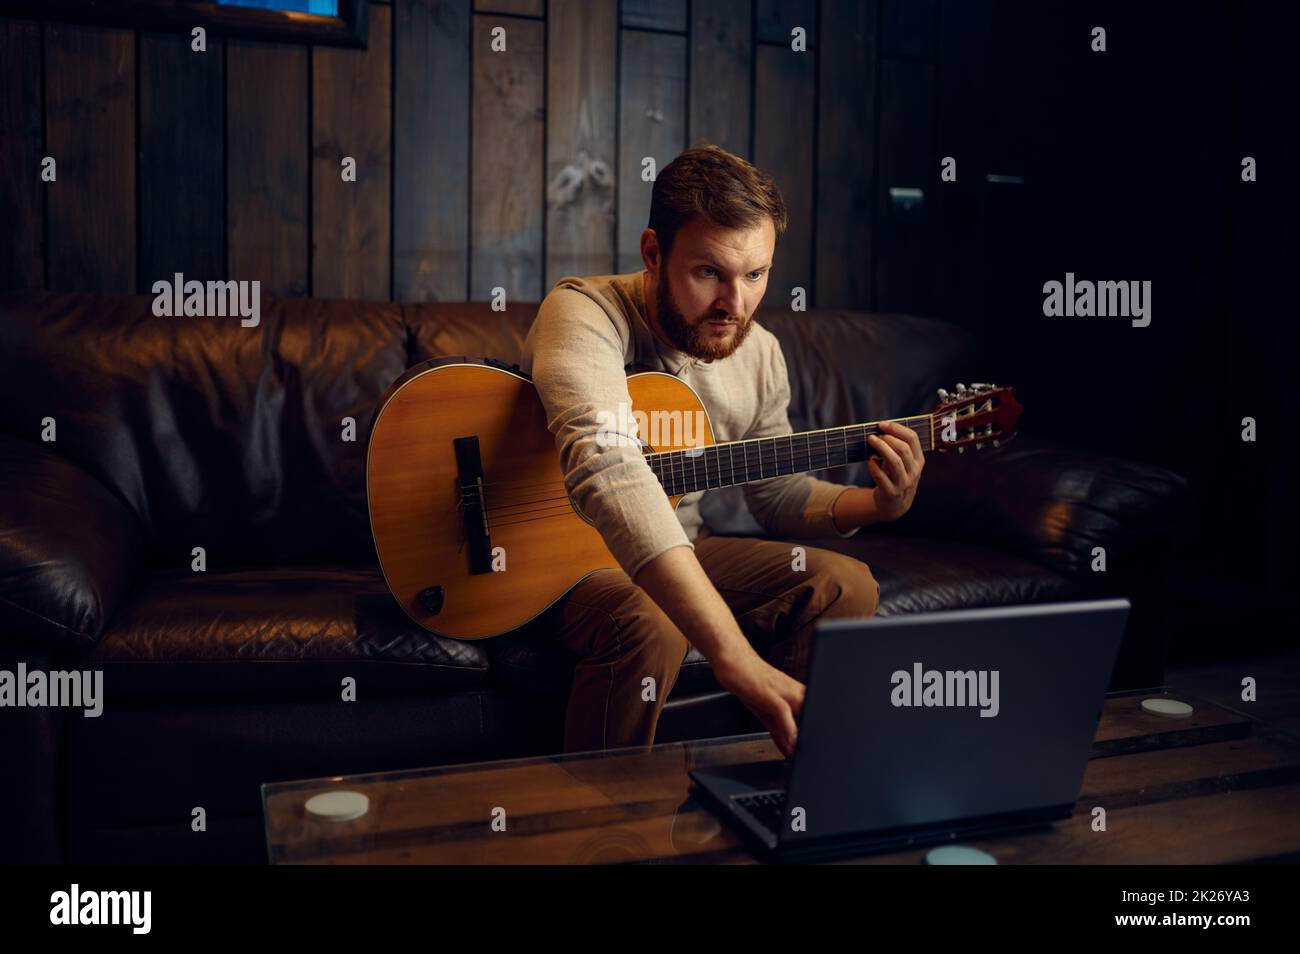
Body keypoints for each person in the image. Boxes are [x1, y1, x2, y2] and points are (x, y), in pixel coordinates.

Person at [520, 145, 925, 758]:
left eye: (756, 275)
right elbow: (606, 463)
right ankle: (600, 828)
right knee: (651, 623)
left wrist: (877, 505)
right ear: (653, 252)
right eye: (709, 272)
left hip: (686, 548)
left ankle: (773, 792)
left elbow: (777, 492)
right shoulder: (583, 312)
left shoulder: (757, 352)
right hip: (555, 559)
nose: (734, 305)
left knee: (845, 585)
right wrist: (734, 657)